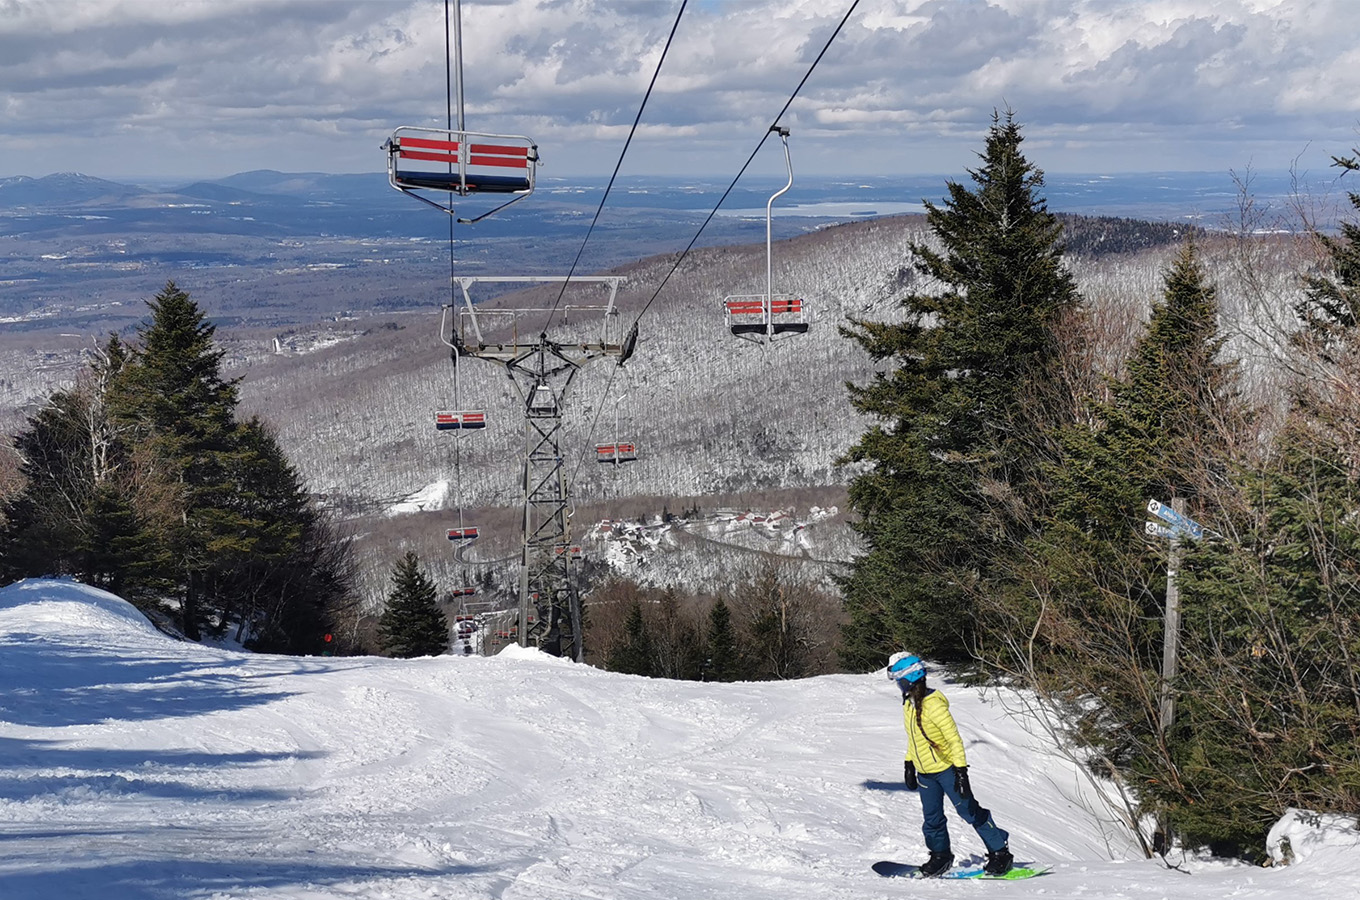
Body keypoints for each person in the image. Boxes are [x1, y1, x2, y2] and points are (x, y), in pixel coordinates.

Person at [887, 651, 1013, 877]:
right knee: (932, 818)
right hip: (925, 773)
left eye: (899, 681)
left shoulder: (934, 706)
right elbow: (914, 738)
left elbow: (954, 740)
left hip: (947, 769)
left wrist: (961, 773)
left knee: (968, 811)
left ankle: (1000, 851)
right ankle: (941, 856)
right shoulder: (908, 704)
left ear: (910, 679)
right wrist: (909, 764)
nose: (898, 685)